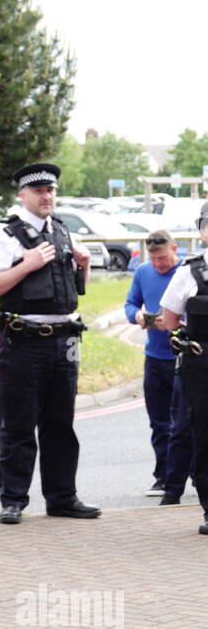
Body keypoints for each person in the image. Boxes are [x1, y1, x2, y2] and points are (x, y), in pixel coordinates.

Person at [0, 162, 100, 525]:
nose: (47, 196)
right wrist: (26, 265)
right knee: (18, 424)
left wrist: (85, 266)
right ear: (23, 194)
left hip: (64, 341)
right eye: (39, 191)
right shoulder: (4, 234)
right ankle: (13, 499)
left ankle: (62, 497)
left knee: (61, 423)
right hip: (23, 341)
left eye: (51, 191)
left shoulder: (62, 231)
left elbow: (72, 292)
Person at [159, 202, 208, 534]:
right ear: (202, 229)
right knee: (204, 434)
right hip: (202, 361)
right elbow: (169, 320)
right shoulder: (188, 273)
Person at [124, 230, 181, 496]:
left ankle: (193, 474)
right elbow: (130, 303)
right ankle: (164, 475)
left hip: (185, 357)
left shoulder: (188, 272)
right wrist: (137, 315)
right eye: (154, 258)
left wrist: (173, 322)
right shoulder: (143, 272)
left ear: (175, 248)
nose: (159, 264)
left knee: (189, 421)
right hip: (155, 358)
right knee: (159, 422)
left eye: (163, 258)